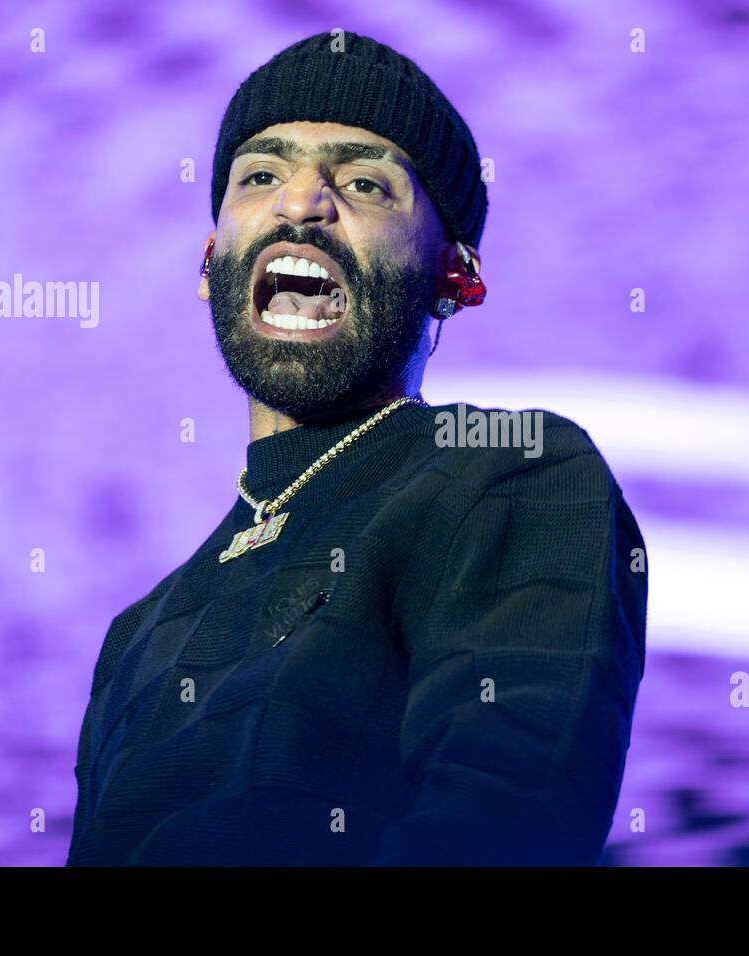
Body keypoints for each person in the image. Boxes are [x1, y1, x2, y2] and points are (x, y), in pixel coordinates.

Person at [65, 30, 647, 866]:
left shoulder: (510, 473)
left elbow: (502, 824)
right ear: (208, 260)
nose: (300, 204)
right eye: (261, 175)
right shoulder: (137, 631)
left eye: (365, 182)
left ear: (455, 274)